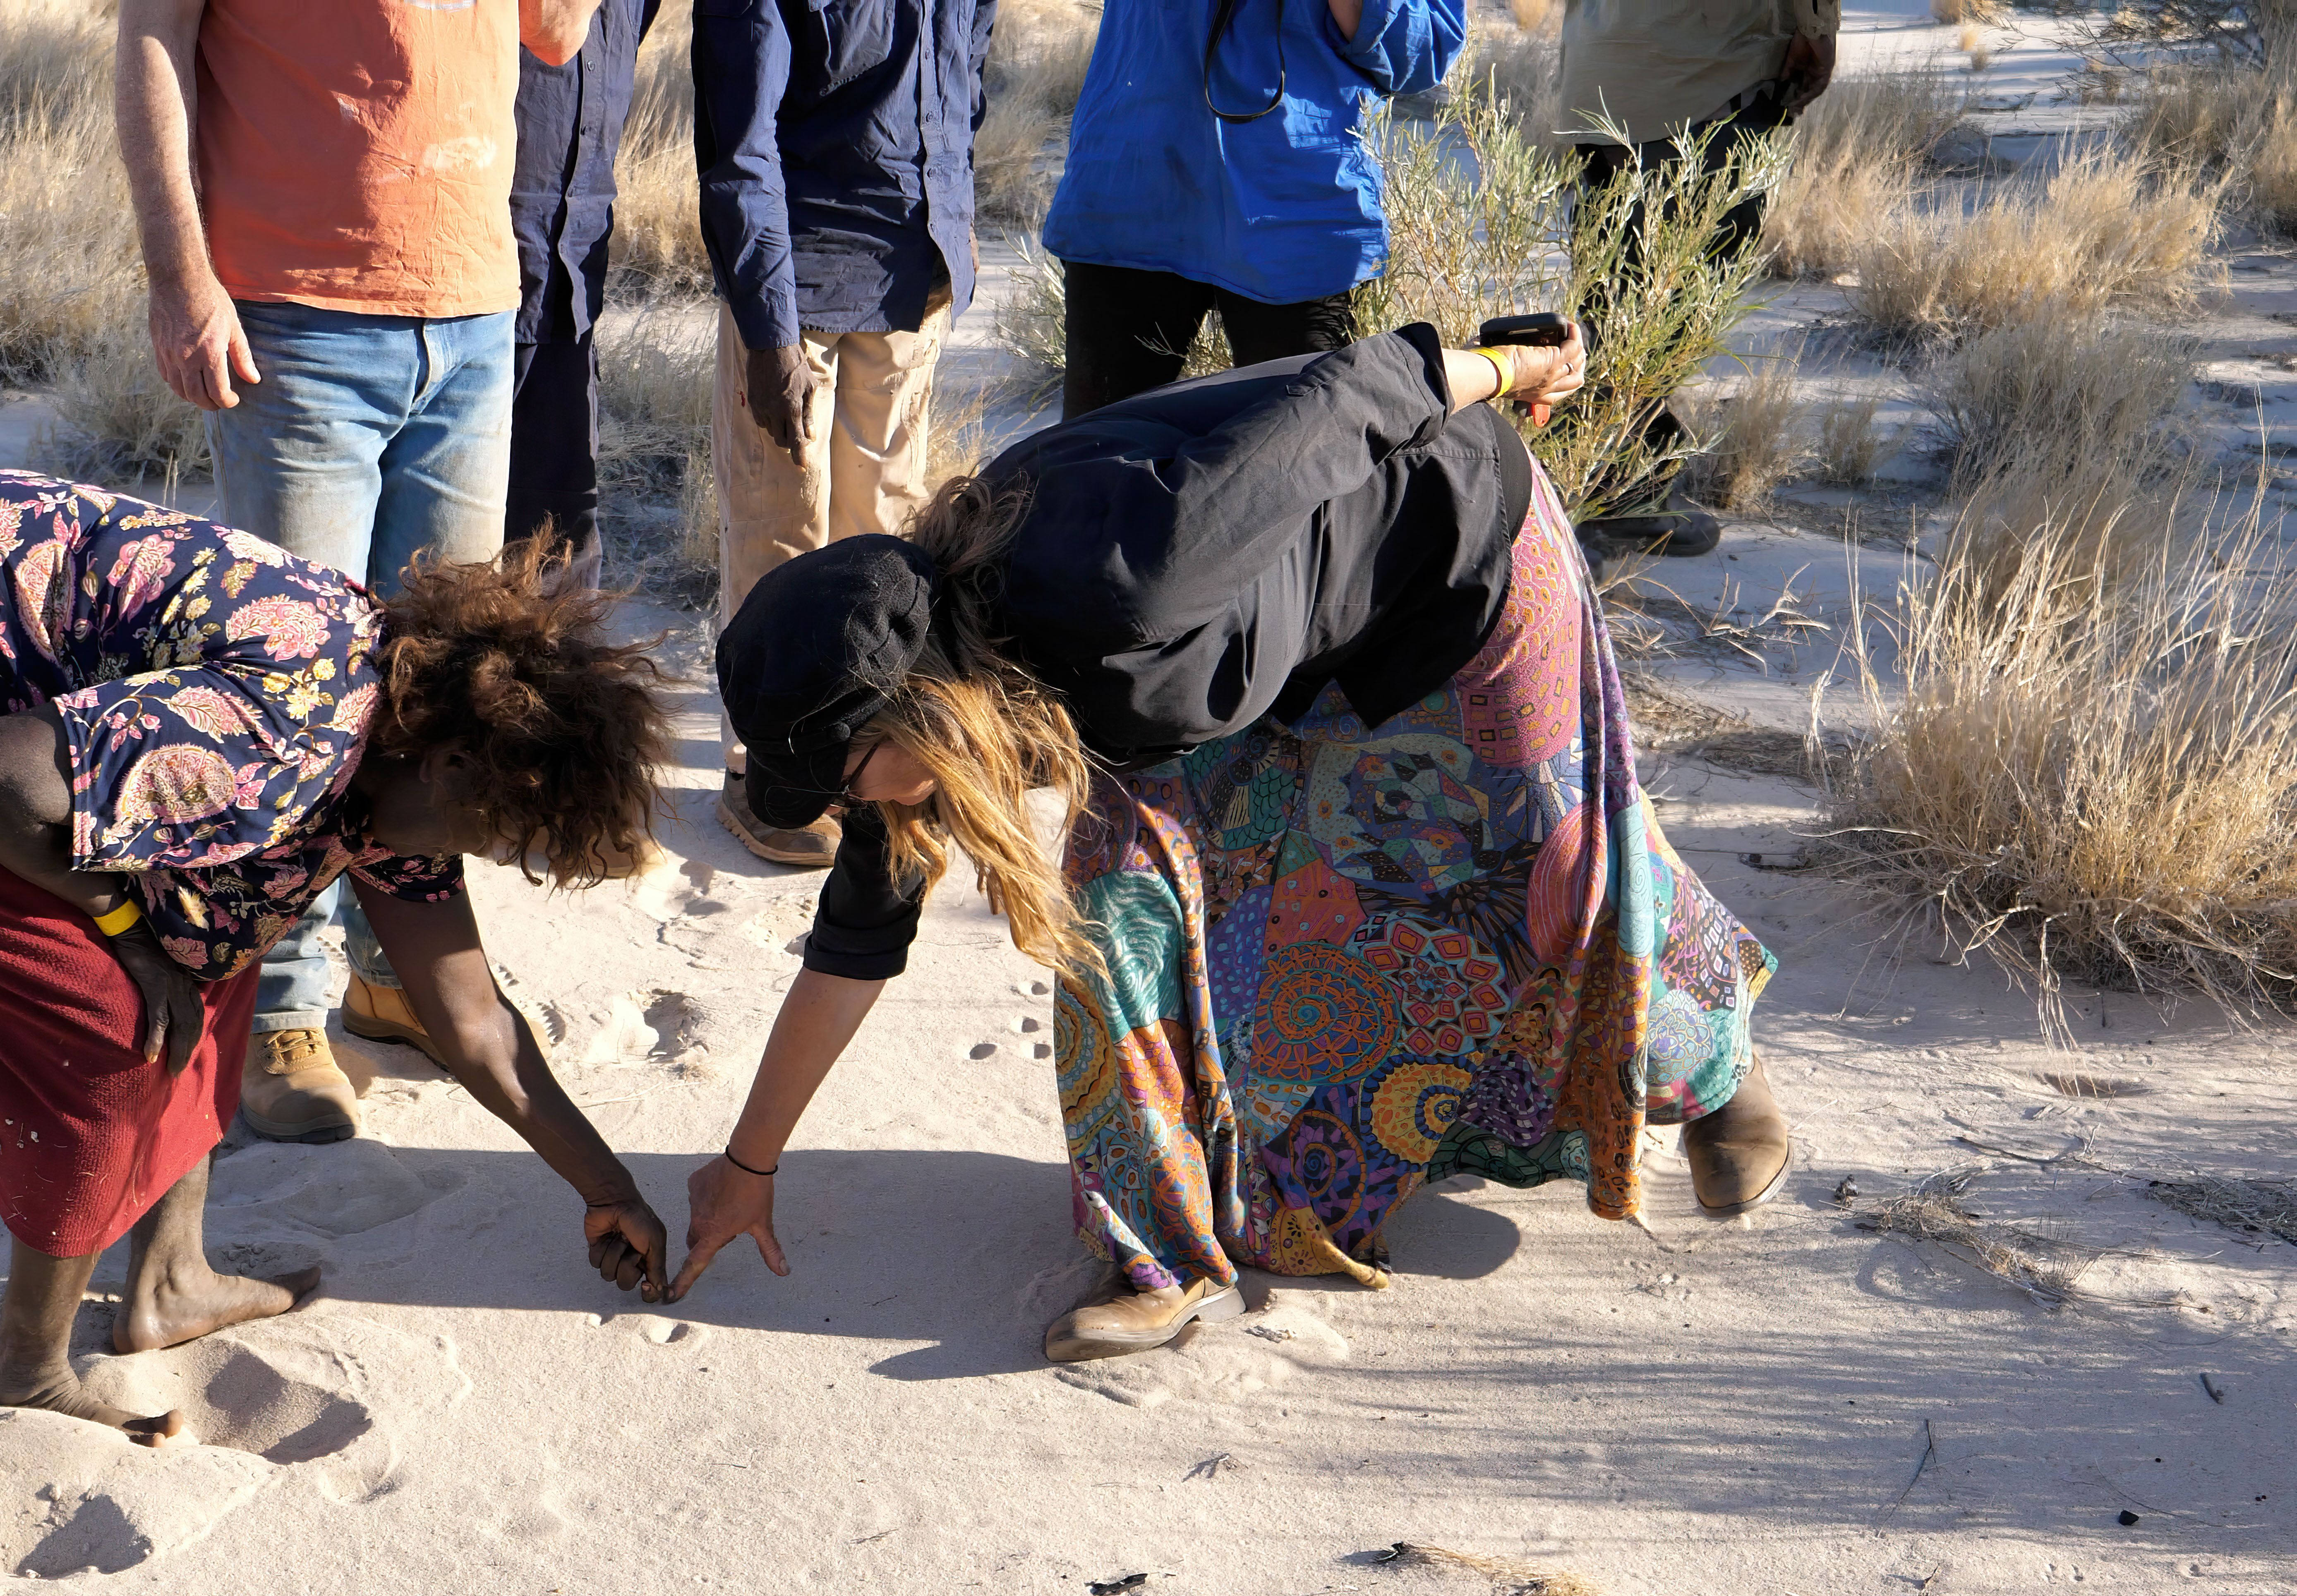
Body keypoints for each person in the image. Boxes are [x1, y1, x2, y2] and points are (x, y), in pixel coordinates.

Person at [666, 326, 1794, 1361]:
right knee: (1112, 911)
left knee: (1551, 869)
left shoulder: (1126, 577)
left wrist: (1515, 368)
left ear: (916, 715)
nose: (838, 808)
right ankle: (1159, 1255)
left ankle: (1713, 1072)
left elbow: (1351, 395)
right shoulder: (952, 698)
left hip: (1458, 560)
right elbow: (857, 941)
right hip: (1253, 656)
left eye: (840, 780)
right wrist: (747, 1166)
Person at [0, 472, 674, 1443]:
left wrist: (610, 1191)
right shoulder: (287, 740)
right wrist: (125, 936)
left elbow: (474, 1021)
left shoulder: (409, 740)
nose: (466, 855)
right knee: (107, 1032)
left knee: (214, 939)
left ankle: (171, 1283)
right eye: (486, 834)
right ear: (454, 765)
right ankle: (33, 1368)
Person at [117, 0, 602, 1144]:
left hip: (475, 311)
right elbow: (151, 41)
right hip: (296, 319)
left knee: (439, 692)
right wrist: (180, 279)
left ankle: (393, 980)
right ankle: (281, 1009)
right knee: (293, 704)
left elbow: (559, 35)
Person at [694, 0, 991, 870]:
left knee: (887, 543)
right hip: (798, 289)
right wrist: (767, 329)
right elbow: (737, 142)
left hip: (912, 272)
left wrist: (955, 223)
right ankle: (768, 774)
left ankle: (869, 753)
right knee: (778, 540)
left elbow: (965, 83)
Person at [1043, 0, 1464, 422]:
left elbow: (1420, 55)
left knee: (1298, 461)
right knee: (1095, 464)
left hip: (1296, 211)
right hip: (1132, 185)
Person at [1554, 0, 1839, 558]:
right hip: (1703, 72)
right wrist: (1819, 29)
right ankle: (1621, 498)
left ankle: (1576, 481)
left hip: (1598, 65)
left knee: (1609, 292)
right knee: (1674, 295)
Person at [509, 0, 658, 592]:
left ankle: (557, 683)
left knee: (559, 548)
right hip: (469, 281)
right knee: (447, 553)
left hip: (572, 278)